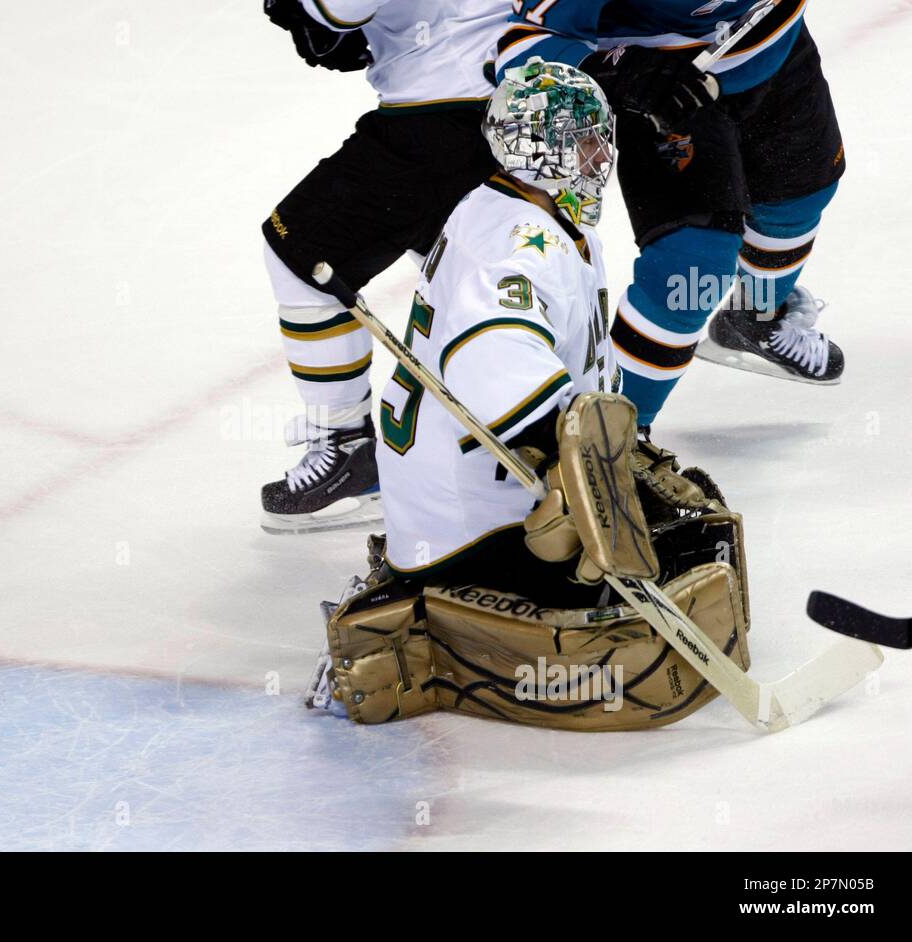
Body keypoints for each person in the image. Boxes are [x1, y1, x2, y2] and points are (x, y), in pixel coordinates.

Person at [306, 60, 751, 732]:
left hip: (479, 482)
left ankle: (427, 586)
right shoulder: (514, 245)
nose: (603, 156)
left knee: (684, 532)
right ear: (542, 153)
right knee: (624, 576)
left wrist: (605, 463)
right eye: (587, 142)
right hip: (470, 515)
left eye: (601, 139)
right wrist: (580, 475)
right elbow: (497, 369)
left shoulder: (530, 210)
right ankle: (403, 607)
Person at [496, 0, 845, 429]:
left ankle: (755, 319)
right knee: (692, 268)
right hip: (669, 87)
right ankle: (611, 439)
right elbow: (520, 46)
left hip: (778, 45)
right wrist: (616, 70)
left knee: (798, 200)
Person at [259, 0, 511, 533]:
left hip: (437, 117)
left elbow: (336, 9)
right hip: (506, 106)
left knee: (302, 250)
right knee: (472, 280)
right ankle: (541, 439)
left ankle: (347, 451)